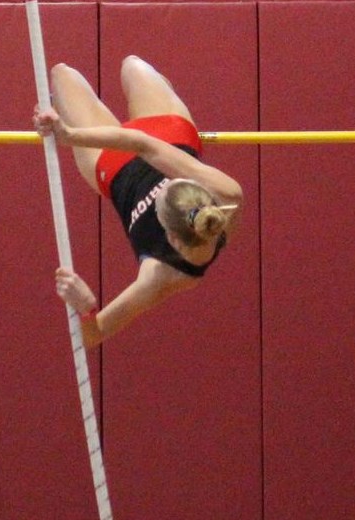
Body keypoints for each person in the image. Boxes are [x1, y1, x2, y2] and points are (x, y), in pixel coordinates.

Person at [33, 55, 242, 348]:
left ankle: (64, 106)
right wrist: (68, 136)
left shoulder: (160, 276)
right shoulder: (227, 194)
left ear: (171, 237)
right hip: (168, 140)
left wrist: (87, 307)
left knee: (62, 75)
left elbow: (92, 336)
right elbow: (142, 143)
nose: (163, 182)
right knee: (132, 65)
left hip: (115, 167)